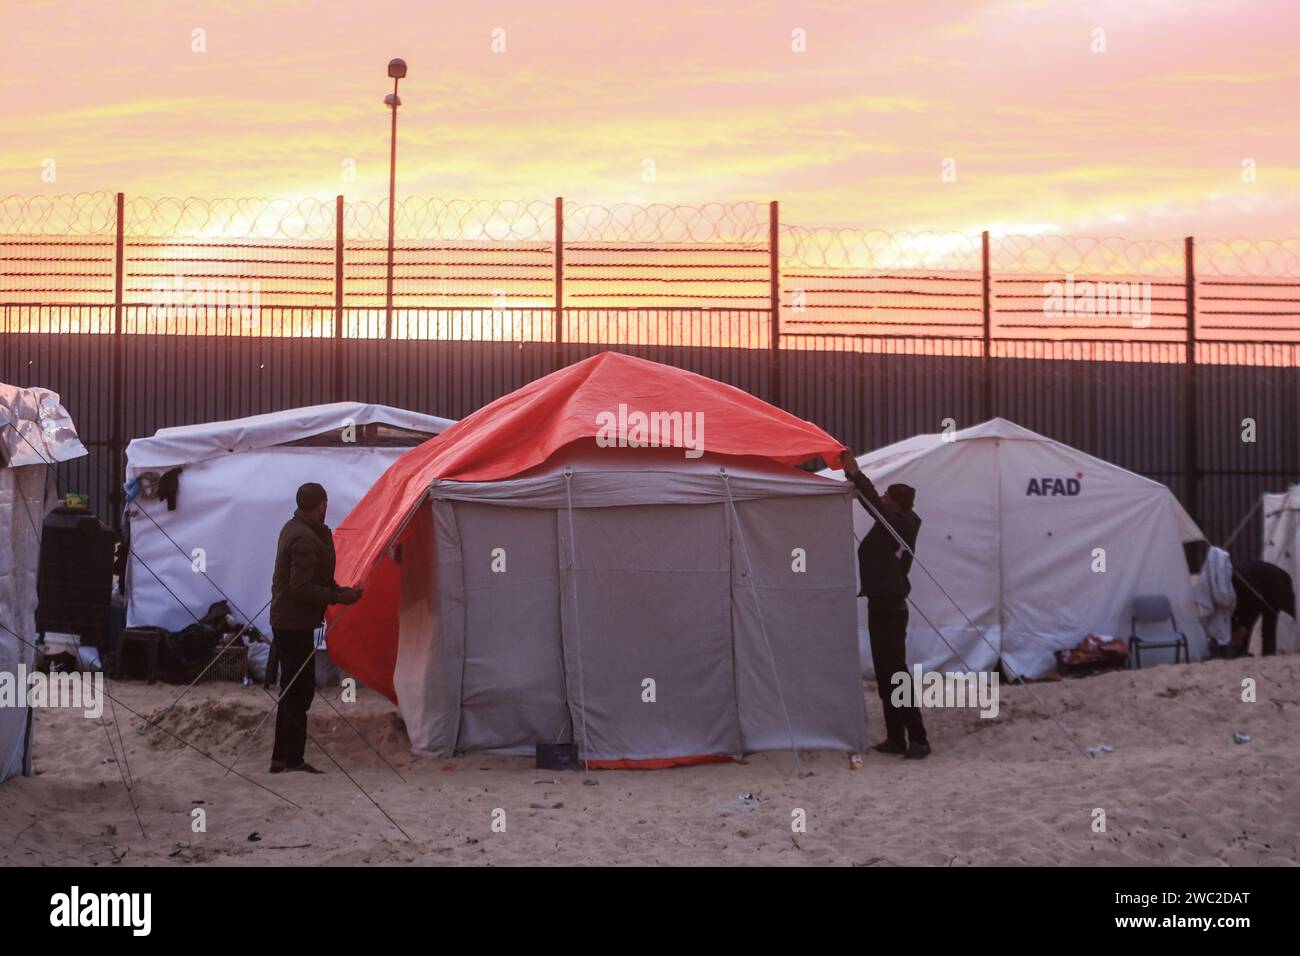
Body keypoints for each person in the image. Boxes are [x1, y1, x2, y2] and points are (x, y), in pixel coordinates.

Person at [838, 449, 929, 759]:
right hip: (881, 604)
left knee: (896, 672)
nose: (884, 500)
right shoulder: (894, 522)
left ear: (897, 505)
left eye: (888, 497)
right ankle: (896, 738)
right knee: (885, 672)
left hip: (890, 607)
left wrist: (856, 474)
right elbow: (874, 505)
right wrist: (854, 480)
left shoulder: (900, 525)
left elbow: (875, 505)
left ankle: (918, 738)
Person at [268, 482, 362, 773]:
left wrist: (336, 589)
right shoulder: (304, 537)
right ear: (322, 505)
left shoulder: (296, 528)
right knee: (299, 691)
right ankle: (291, 758)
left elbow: (312, 577)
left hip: (291, 621)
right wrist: (337, 597)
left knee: (292, 689)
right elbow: (301, 587)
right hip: (293, 623)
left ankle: (282, 758)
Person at [1231, 559, 1295, 657]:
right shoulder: (1231, 582)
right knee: (1262, 625)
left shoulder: (1237, 582)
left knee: (1271, 623)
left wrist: (1243, 626)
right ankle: (1264, 654)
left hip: (1277, 583)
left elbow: (1254, 602)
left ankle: (1248, 652)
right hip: (1263, 584)